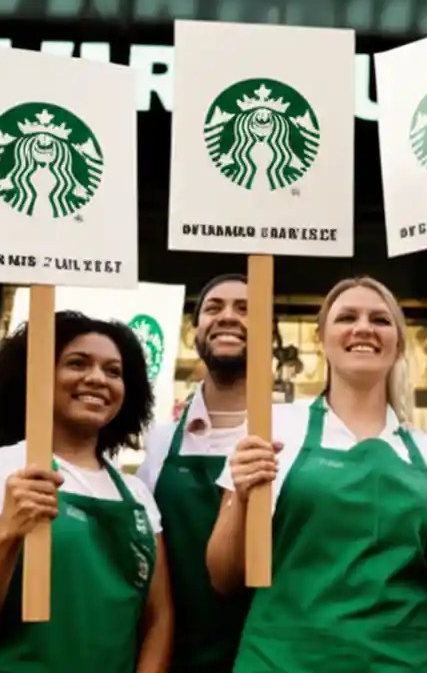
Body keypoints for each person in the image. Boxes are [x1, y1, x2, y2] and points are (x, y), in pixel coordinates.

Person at [208, 276, 427, 672]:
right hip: (283, 662)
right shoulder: (271, 428)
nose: (363, 328)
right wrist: (241, 497)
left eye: (380, 320)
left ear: (398, 342)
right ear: (321, 339)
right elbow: (222, 577)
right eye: (347, 317)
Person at [0, 311, 173, 672]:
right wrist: (8, 534)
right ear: (35, 376)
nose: (97, 378)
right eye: (77, 363)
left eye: (113, 371)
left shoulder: (138, 495)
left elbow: (158, 620)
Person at [138, 273, 253, 672]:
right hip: (172, 654)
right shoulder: (160, 442)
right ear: (195, 332)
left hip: (262, 655)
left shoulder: (292, 436)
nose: (228, 316)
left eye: (245, 309)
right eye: (214, 308)